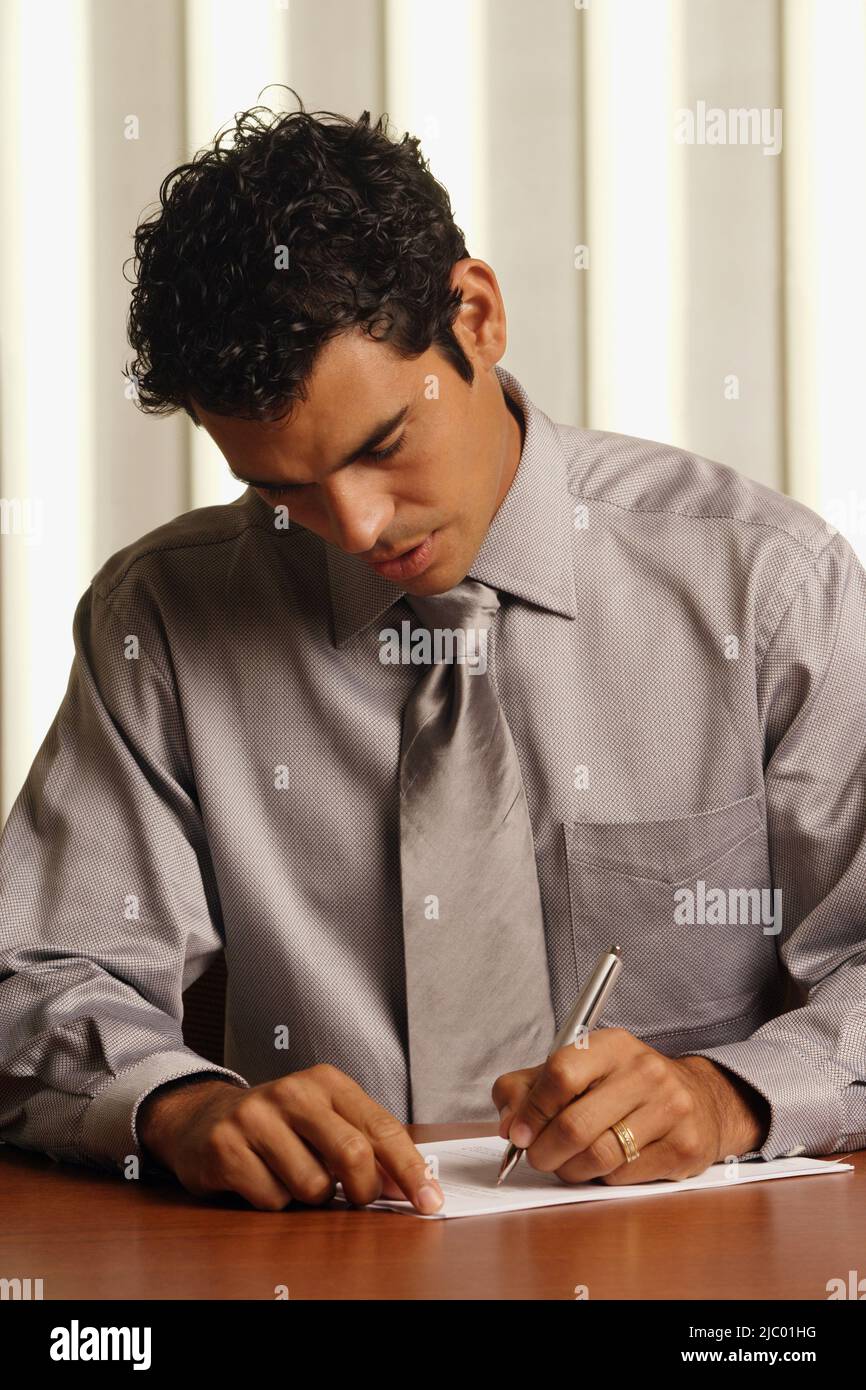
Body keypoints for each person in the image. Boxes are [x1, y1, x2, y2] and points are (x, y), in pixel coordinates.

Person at [1, 95, 864, 1218]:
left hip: (687, 1263)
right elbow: (41, 974)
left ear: (475, 314)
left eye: (381, 446)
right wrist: (178, 1106)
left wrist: (728, 1095)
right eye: (283, 488)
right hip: (320, 1267)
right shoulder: (164, 617)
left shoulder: (765, 588)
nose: (355, 528)